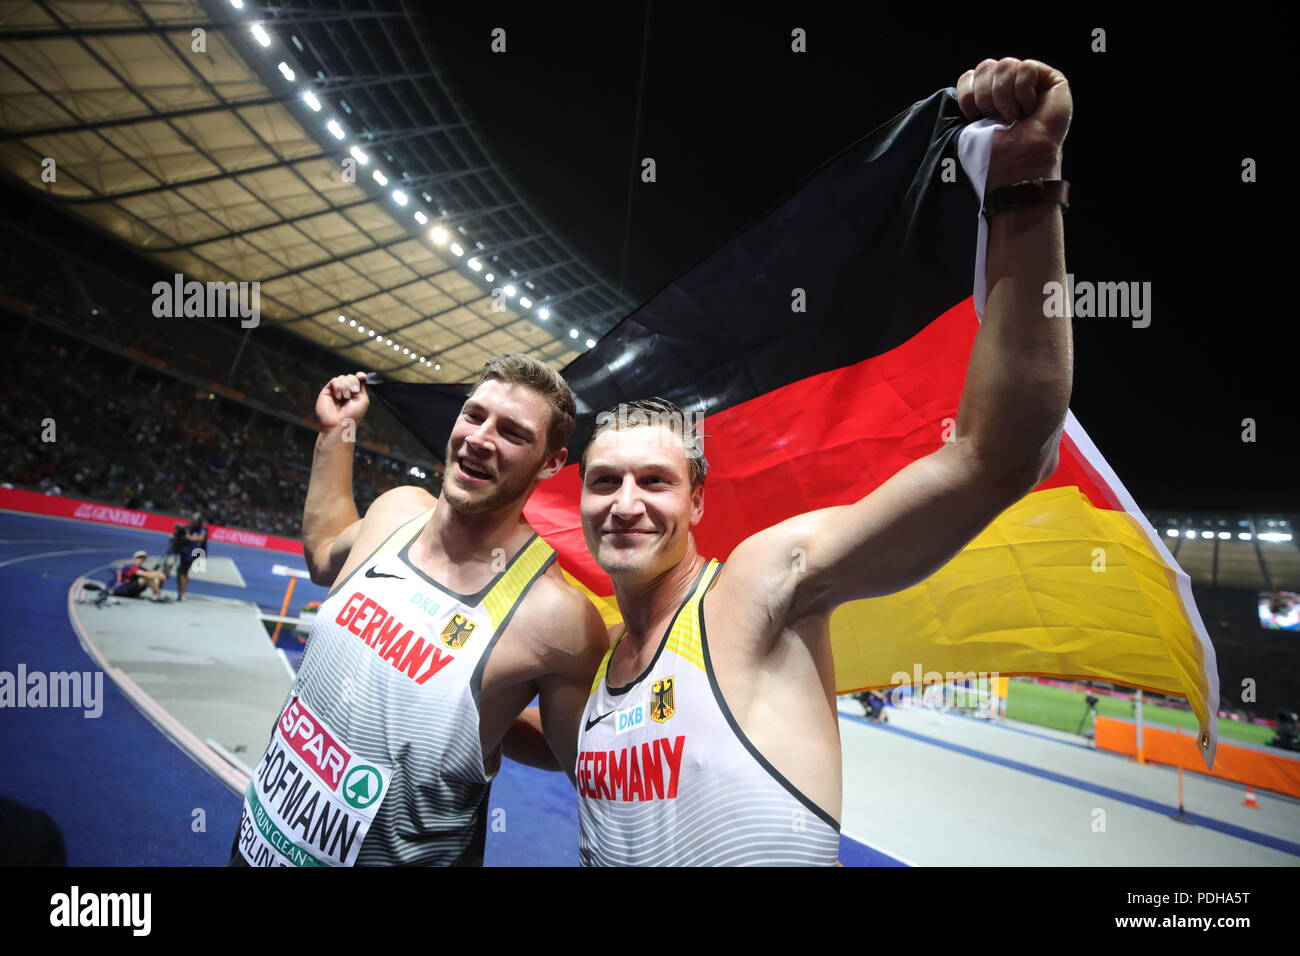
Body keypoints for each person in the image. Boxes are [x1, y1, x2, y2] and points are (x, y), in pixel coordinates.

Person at [571, 57, 1073, 865]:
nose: (625, 501)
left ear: (698, 499)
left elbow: (998, 454)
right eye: (605, 481)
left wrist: (1024, 185)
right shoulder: (600, 681)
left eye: (655, 479)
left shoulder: (759, 589)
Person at [229, 354, 607, 867]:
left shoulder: (556, 619)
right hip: (257, 845)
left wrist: (481, 727)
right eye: (475, 416)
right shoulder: (396, 511)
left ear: (550, 463)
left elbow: (586, 764)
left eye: (513, 433)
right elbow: (323, 554)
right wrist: (336, 433)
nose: (480, 438)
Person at [175, 511, 207, 602]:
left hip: (192, 553)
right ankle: (182, 592)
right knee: (184, 573)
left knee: (182, 573)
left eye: (194, 520)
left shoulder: (202, 528)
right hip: (185, 552)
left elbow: (201, 538)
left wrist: (189, 537)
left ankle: (181, 593)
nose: (192, 521)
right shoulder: (189, 527)